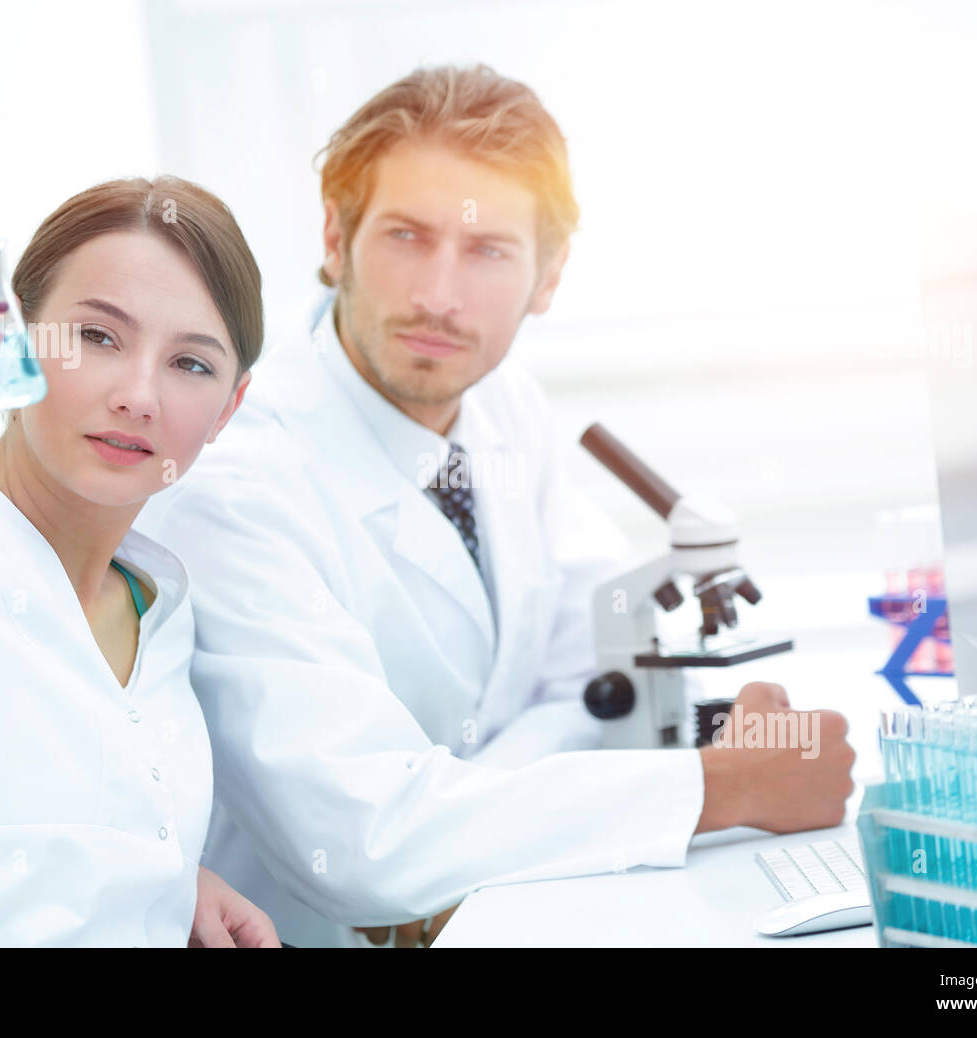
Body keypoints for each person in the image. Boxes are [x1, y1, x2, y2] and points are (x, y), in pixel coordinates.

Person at [137, 65, 855, 948]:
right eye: (406, 236)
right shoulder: (229, 480)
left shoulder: (503, 401)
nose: (439, 296)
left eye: (487, 252)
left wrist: (455, 806)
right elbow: (363, 843)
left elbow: (596, 678)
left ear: (548, 277)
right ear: (335, 237)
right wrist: (725, 786)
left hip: (496, 911)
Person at [0, 176, 279, 947]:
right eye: (97, 337)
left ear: (228, 409)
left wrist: (163, 884)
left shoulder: (153, 601)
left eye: (191, 365)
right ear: (14, 340)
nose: (139, 396)